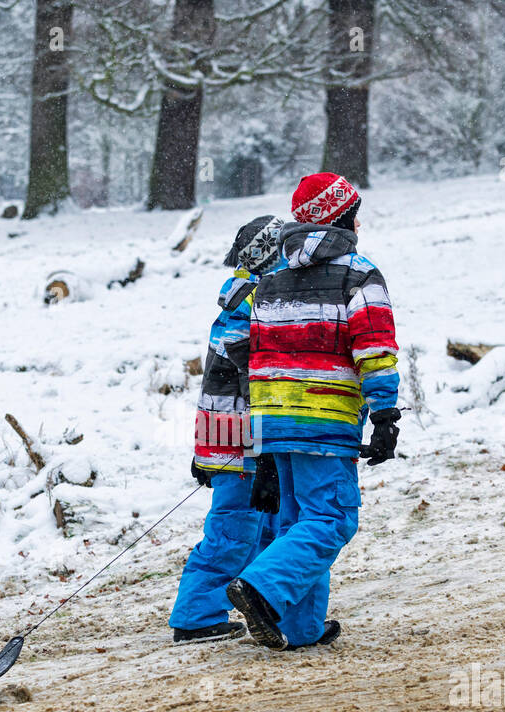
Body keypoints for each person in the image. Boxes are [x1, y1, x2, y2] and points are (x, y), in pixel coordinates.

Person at [226, 173, 400, 650]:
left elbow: (256, 362)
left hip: (273, 418)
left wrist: (259, 441)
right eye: (353, 213)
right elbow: (375, 349)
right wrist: (386, 414)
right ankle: (262, 590)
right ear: (342, 219)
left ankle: (297, 628)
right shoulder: (359, 275)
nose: (360, 221)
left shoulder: (271, 281)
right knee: (332, 517)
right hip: (323, 421)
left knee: (295, 521)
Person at [169, 215, 285, 643]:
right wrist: (263, 448)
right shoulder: (253, 303)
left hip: (230, 437)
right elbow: (248, 380)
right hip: (239, 440)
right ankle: (196, 616)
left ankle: (258, 601)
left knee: (264, 525)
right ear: (272, 255)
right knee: (233, 531)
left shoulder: (246, 298)